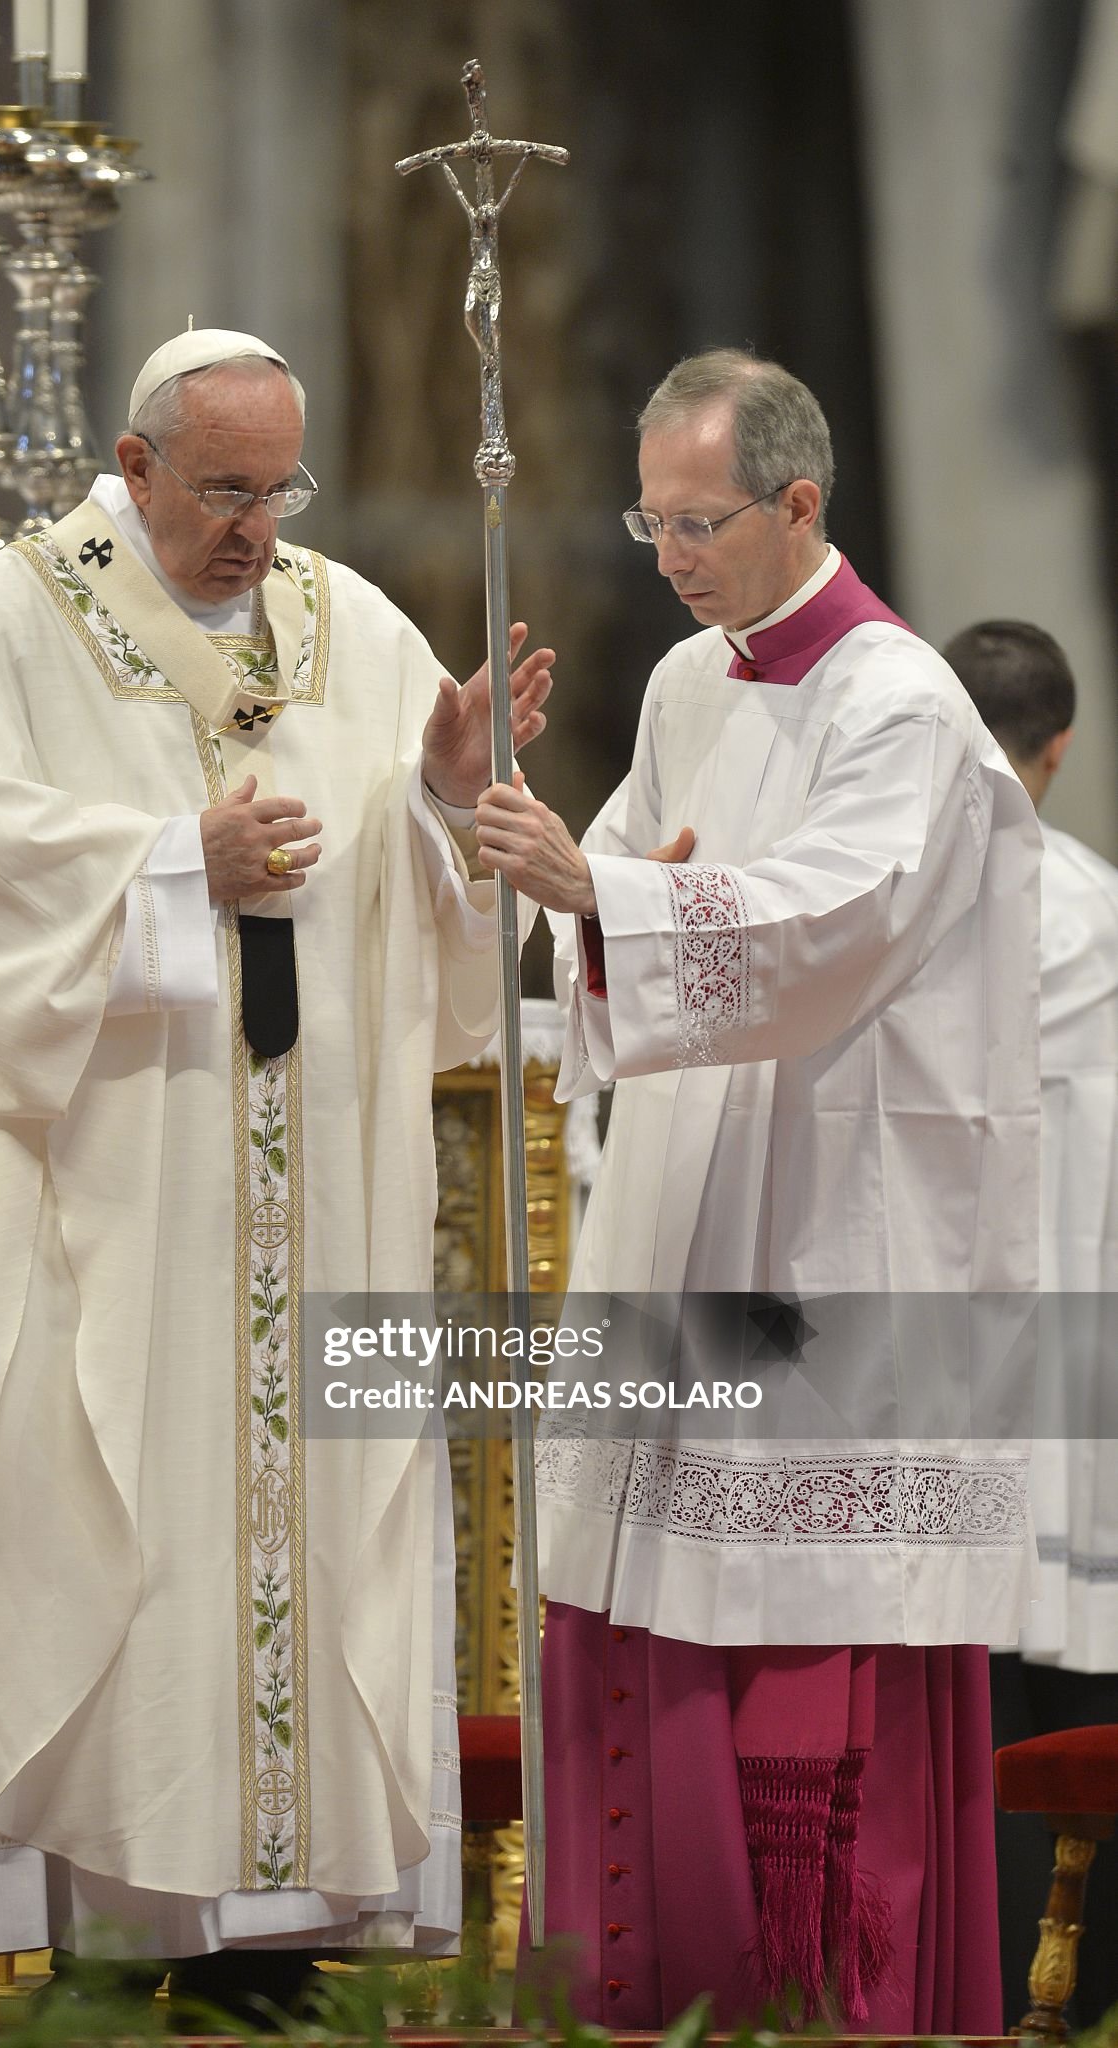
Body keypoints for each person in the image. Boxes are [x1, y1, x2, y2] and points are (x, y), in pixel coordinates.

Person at [0, 327, 553, 2019]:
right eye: (226, 489)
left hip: (322, 1179)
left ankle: (290, 1935)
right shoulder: (2, 623)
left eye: (281, 487)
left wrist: (445, 801)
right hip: (110, 1186)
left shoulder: (350, 623)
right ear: (135, 462)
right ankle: (115, 1931)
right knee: (114, 1512)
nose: (257, 526)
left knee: (318, 1526)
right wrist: (175, 866)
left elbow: (439, 918)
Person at [475, 350, 1040, 2033]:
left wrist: (615, 902)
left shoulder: (902, 706)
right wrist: (526, 849)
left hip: (834, 1227)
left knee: (804, 1644)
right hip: (690, 1209)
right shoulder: (687, 683)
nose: (668, 555)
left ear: (801, 502)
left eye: (697, 522)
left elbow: (828, 923)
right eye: (647, 521)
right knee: (648, 1609)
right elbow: (616, 890)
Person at [945, 618, 1118, 2029]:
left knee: (966, 1702)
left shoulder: (886, 906)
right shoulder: (1105, 918)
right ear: (1061, 745)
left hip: (929, 1381)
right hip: (1088, 1384)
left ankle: (961, 1981)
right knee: (1082, 1705)